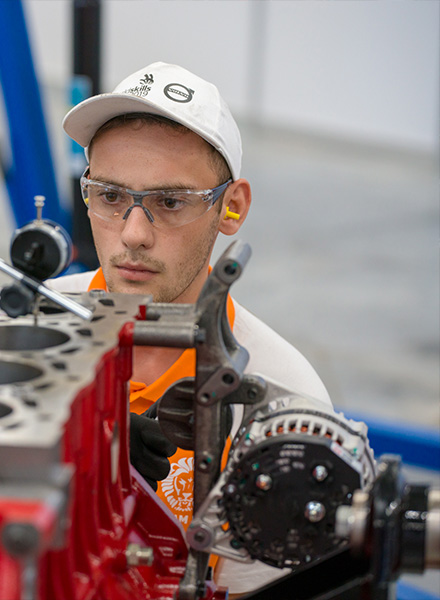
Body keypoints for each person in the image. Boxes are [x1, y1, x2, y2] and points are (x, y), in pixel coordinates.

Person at [46, 61, 332, 596]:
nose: (132, 234)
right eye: (110, 195)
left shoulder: (284, 402)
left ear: (232, 207)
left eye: (169, 202)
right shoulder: (24, 328)